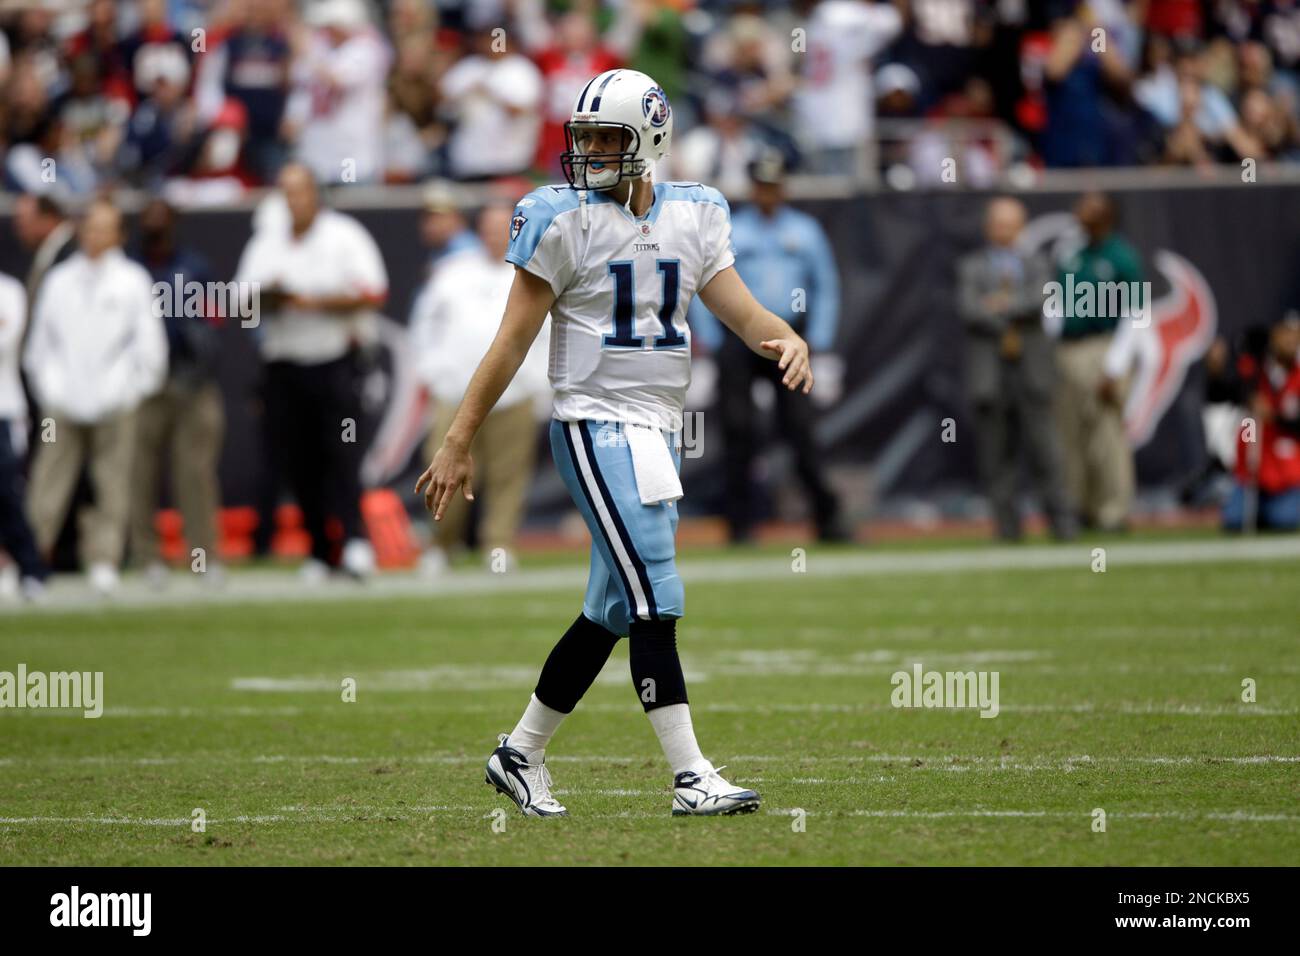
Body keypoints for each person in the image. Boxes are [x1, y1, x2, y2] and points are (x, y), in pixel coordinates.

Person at [416, 69, 814, 818]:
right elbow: (510, 344)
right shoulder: (561, 219)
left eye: (608, 137)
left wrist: (785, 337)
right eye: (585, 136)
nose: (591, 150)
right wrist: (458, 438)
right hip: (594, 423)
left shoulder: (695, 215)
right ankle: (692, 775)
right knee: (655, 594)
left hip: (653, 431)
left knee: (608, 608)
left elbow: (738, 309)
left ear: (651, 139)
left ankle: (520, 752)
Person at [234, 162, 386, 581]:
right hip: (284, 362)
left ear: (315, 194)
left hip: (335, 360)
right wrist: (272, 298)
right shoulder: (267, 242)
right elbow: (238, 303)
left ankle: (355, 541)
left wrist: (311, 301)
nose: (292, 200)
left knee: (342, 455)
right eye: (285, 192)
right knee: (298, 461)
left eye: (299, 191)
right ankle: (321, 549)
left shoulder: (344, 236)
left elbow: (372, 291)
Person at [690, 151, 846, 542]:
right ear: (753, 188)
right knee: (737, 428)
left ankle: (827, 518)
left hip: (788, 338)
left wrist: (820, 342)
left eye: (774, 187)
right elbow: (702, 284)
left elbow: (825, 286)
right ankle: (740, 524)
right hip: (739, 337)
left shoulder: (805, 230)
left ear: (783, 189)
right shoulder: (733, 230)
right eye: (762, 187)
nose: (768, 194)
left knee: (800, 428)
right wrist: (711, 338)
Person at [23, 199, 168, 594]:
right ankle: (31, 561)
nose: (95, 235)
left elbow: (150, 348)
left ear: (118, 234)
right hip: (62, 405)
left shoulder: (133, 280)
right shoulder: (59, 280)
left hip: (115, 404)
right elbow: (39, 348)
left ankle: (104, 560)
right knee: (47, 482)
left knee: (113, 483)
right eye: (89, 226)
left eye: (104, 228)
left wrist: (129, 391)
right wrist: (53, 390)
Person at [410, 202, 550, 574]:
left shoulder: (535, 271)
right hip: (456, 393)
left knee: (509, 475)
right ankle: (440, 545)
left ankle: (499, 548)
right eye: (488, 228)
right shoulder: (450, 273)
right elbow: (424, 325)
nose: (494, 236)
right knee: (443, 468)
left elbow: (548, 332)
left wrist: (537, 381)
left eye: (502, 228)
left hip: (516, 393)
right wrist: (433, 373)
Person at [957, 197, 1075, 541]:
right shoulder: (972, 266)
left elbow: (1038, 299)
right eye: (998, 223)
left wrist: (999, 304)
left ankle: (1062, 523)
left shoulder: (1036, 263)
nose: (1004, 231)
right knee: (997, 456)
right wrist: (1011, 309)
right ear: (987, 226)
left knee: (1046, 451)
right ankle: (1007, 529)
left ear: (1021, 227)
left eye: (1010, 224)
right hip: (990, 374)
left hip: (1031, 370)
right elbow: (968, 309)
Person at [128, 199, 226, 586]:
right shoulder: (130, 270)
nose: (154, 223)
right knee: (140, 473)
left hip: (191, 382)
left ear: (173, 223)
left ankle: (203, 557)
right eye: (147, 216)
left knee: (195, 473)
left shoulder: (194, 267)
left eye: (160, 217)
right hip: (144, 385)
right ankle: (147, 557)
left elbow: (218, 316)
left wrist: (201, 351)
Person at [1052, 192, 1142, 531]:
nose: (1079, 211)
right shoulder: (1070, 254)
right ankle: (1080, 506)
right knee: (1071, 431)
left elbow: (1136, 313)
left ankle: (1113, 510)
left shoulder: (1121, 257)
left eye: (1088, 206)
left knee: (1107, 431)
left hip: (1105, 346)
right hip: (1070, 349)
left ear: (1105, 214)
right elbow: (1056, 304)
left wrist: (1116, 366)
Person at [1223, 313, 1300, 532]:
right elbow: (1233, 387)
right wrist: (1250, 396)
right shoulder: (1257, 370)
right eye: (1286, 333)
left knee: (1284, 519)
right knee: (1234, 520)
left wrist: (1274, 416)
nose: (1291, 341)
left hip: (1288, 476)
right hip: (1256, 471)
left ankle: (1271, 513)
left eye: (1296, 335)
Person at [0, 267, 46, 600]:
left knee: (7, 490)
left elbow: (6, 341)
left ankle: (29, 566)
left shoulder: (10, 289)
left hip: (5, 408)